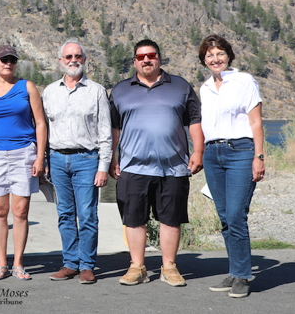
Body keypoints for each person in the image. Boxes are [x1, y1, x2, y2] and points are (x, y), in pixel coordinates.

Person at [109, 39, 204, 287]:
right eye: (141, 57)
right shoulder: (120, 90)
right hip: (132, 166)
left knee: (171, 218)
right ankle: (137, 267)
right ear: (134, 62)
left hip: (173, 166)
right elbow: (114, 128)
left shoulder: (181, 87)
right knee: (133, 218)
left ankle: (169, 267)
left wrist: (199, 151)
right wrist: (111, 157)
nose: (146, 60)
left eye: (151, 55)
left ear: (160, 58)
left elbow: (194, 120)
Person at [0, 44, 46, 281]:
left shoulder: (27, 87)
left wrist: (40, 157)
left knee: (21, 211)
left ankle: (18, 264)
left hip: (24, 153)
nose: (7, 63)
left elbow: (41, 124)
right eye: (2, 59)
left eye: (12, 60)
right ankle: (1, 264)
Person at [198, 35, 265, 298]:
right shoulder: (205, 88)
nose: (215, 59)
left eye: (220, 53)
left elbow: (257, 123)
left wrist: (258, 157)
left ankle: (243, 277)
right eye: (209, 55)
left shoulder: (244, 81)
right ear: (204, 61)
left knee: (237, 215)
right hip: (213, 155)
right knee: (225, 218)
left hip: (240, 151)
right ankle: (235, 271)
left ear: (229, 55)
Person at [43, 39, 111, 285]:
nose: (73, 60)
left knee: (88, 214)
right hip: (58, 159)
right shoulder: (49, 92)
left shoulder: (96, 91)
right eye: (68, 56)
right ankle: (70, 263)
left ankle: (87, 265)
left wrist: (103, 167)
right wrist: (45, 161)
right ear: (61, 61)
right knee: (65, 214)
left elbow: (105, 133)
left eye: (78, 56)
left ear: (84, 59)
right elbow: (44, 129)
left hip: (87, 159)